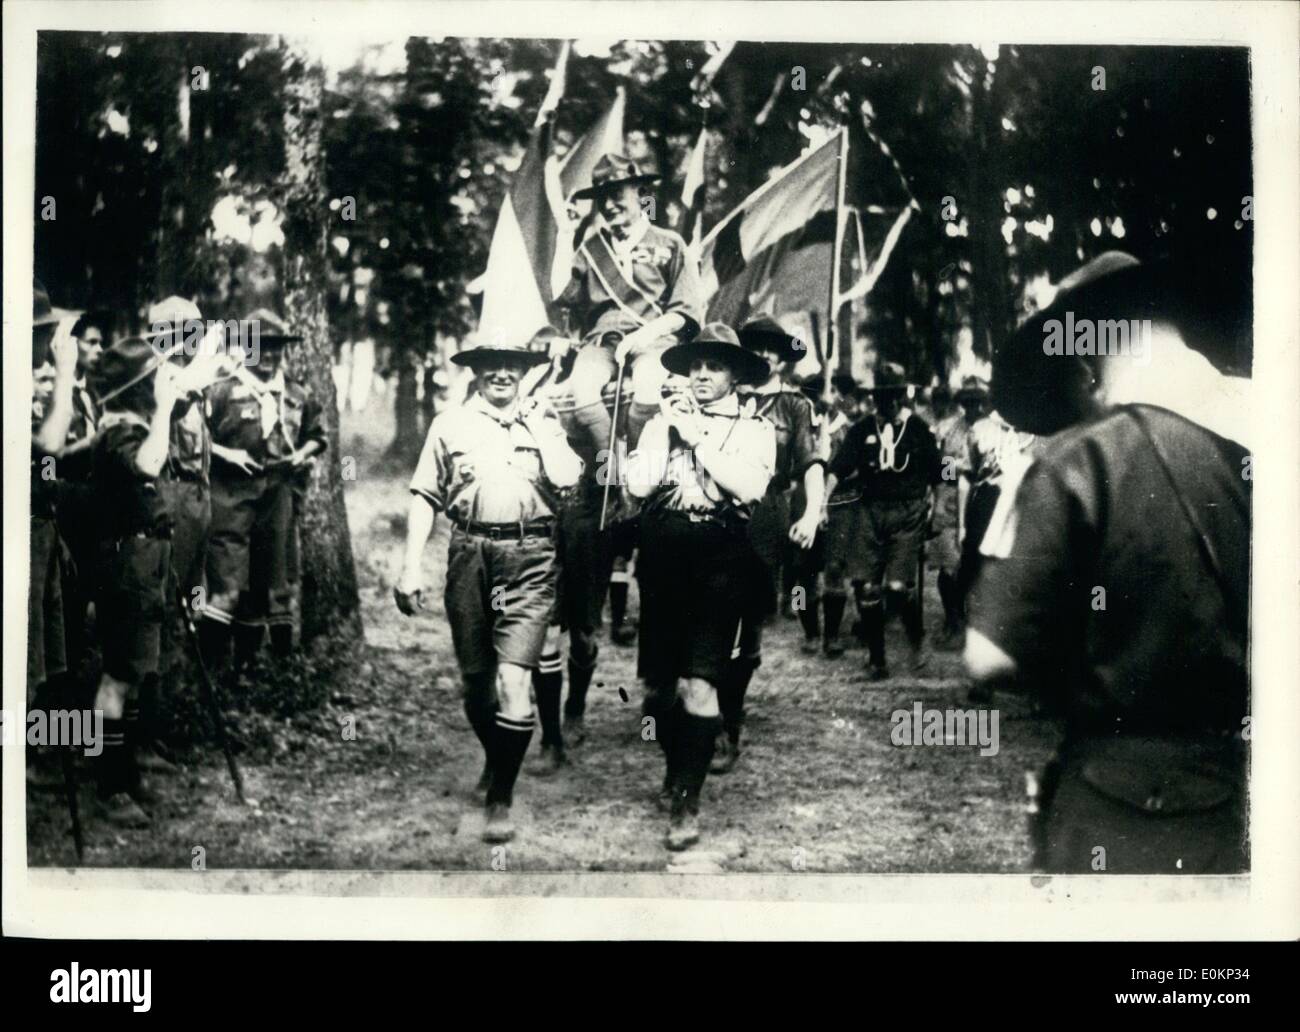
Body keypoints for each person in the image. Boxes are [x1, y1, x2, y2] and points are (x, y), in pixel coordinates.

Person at [966, 251, 1249, 874]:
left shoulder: (1084, 459)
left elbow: (989, 655)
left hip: (1113, 797)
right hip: (1247, 797)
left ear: (1088, 360)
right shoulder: (1265, 430)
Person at [394, 336, 583, 843]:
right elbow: (424, 497)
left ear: (525, 373)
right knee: (477, 685)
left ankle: (501, 796)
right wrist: (410, 565)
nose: (503, 374)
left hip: (531, 558)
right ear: (475, 372)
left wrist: (541, 429)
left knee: (513, 683)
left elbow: (567, 477)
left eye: (513, 367)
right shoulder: (450, 425)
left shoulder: (544, 421)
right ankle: (495, 756)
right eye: (492, 366)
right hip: (470, 557)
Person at [625, 322, 774, 850]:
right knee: (662, 688)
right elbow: (637, 484)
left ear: (735, 376)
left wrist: (697, 438)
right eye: (696, 366)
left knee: (700, 683)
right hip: (664, 557)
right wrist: (662, 429)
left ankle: (688, 803)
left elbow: (750, 487)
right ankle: (675, 768)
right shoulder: (662, 423)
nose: (703, 376)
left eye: (715, 367)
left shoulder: (754, 428)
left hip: (722, 559)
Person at [712, 315, 825, 772]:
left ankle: (729, 721)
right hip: (714, 514)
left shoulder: (795, 407)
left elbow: (810, 463)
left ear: (782, 358)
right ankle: (701, 707)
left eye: (772, 348)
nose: (763, 354)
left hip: (765, 517)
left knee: (746, 627)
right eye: (753, 346)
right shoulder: (718, 396)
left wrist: (812, 511)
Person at [87, 335, 186, 827]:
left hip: (144, 560)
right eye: (154, 380)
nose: (161, 386)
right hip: (126, 563)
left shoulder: (134, 426)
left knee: (132, 672)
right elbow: (147, 464)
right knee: (118, 675)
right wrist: (165, 409)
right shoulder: (118, 434)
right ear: (137, 388)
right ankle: (109, 785)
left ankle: (124, 773)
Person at [554, 153, 705, 462]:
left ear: (640, 192)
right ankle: (615, 474)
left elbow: (686, 310)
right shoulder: (591, 249)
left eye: (616, 195)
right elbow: (561, 294)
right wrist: (566, 234)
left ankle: (638, 472)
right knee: (582, 393)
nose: (608, 206)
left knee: (648, 388)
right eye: (602, 199)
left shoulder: (670, 243)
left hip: (653, 340)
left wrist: (643, 335)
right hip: (600, 343)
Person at [201, 310, 326, 676]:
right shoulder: (222, 388)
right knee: (227, 585)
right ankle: (209, 673)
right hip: (231, 495)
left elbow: (318, 436)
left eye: (276, 349)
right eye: (261, 347)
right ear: (246, 347)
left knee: (265, 583)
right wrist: (228, 454)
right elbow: (194, 436)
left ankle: (246, 670)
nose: (270, 356)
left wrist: (301, 456)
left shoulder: (297, 393)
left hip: (277, 494)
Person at [825, 361, 942, 680]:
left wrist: (939, 507)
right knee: (865, 586)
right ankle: (877, 660)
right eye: (881, 397)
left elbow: (941, 471)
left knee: (896, 586)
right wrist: (822, 500)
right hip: (870, 510)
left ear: (902, 396)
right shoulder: (862, 429)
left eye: (893, 396)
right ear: (874, 398)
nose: (886, 403)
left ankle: (916, 636)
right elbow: (837, 468)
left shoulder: (919, 429)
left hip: (908, 511)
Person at [143, 296, 213, 768]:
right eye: (185, 329)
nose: (192, 336)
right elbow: (185, 386)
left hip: (196, 497)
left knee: (187, 607)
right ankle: (145, 731)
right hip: (169, 496)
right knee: (163, 613)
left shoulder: (188, 371)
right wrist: (212, 353)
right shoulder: (161, 372)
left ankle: (162, 722)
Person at [800, 372, 860, 657]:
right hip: (803, 503)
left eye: (832, 391)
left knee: (835, 569)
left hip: (841, 504)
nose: (824, 398)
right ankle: (810, 632)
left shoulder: (848, 430)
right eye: (815, 393)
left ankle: (832, 635)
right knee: (803, 575)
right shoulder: (801, 424)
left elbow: (858, 467)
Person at [931, 375, 987, 643]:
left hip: (982, 502)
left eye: (979, 403)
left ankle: (971, 620)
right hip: (951, 499)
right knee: (948, 564)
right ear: (962, 404)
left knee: (975, 565)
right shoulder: (950, 431)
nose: (974, 408)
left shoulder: (994, 431)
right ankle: (951, 618)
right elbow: (944, 471)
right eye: (969, 403)